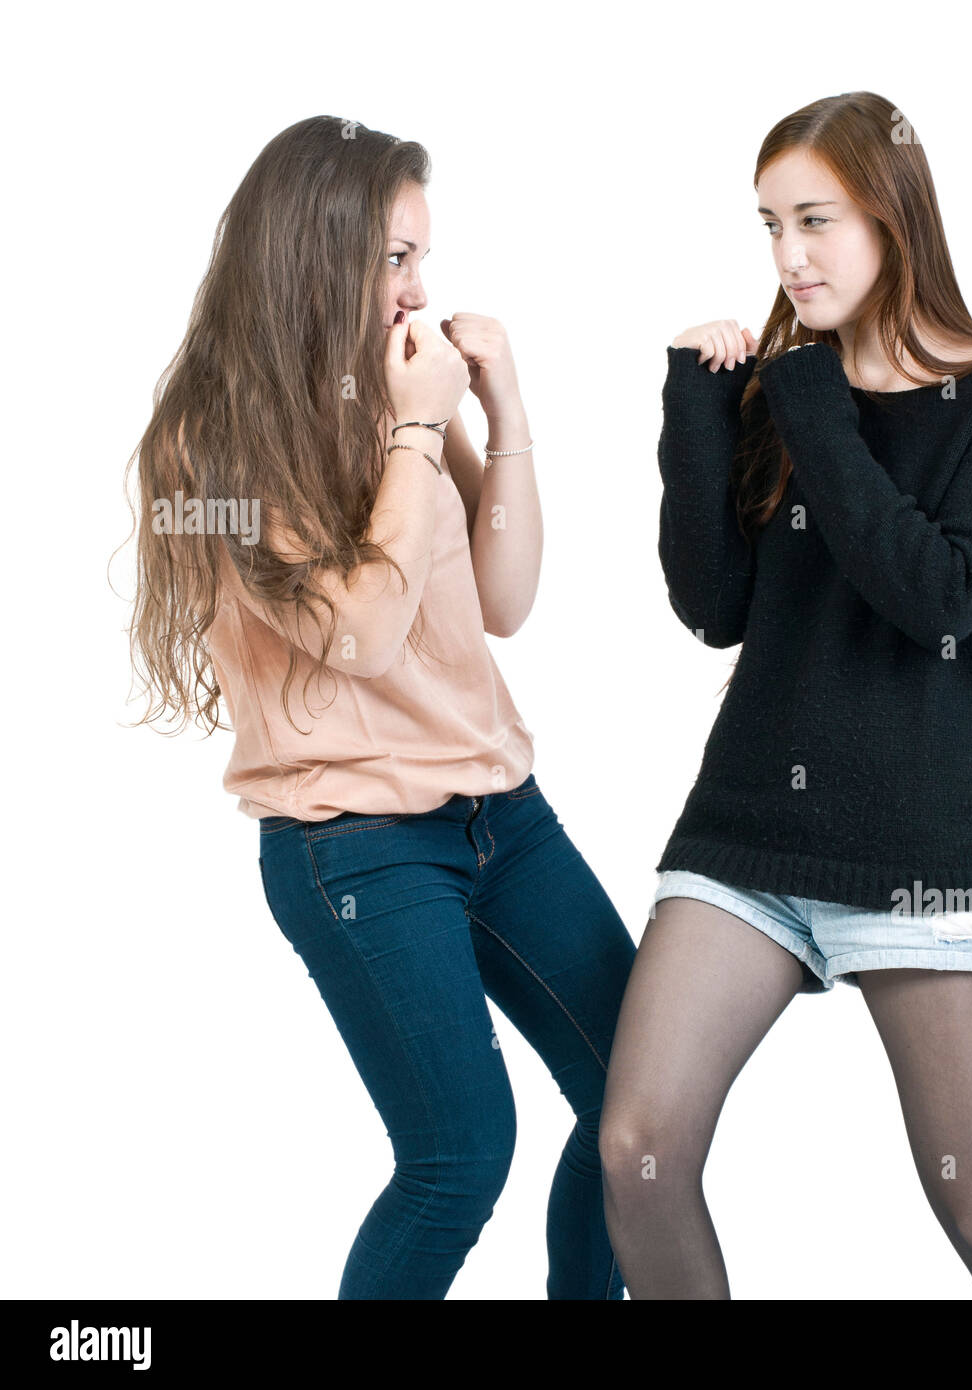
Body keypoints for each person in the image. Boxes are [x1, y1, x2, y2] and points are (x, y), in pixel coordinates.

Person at [126, 115, 635, 1299]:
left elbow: (504, 601)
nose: (418, 291)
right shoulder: (210, 446)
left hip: (503, 815)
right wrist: (415, 427)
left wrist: (502, 420)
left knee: (637, 1105)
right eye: (393, 259)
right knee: (458, 1160)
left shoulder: (396, 394)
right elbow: (359, 634)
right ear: (315, 255)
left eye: (422, 257)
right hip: (350, 843)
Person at [598, 91, 972, 1300]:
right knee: (638, 1152)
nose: (786, 257)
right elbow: (715, 607)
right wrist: (702, 416)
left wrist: (814, 406)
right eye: (767, 226)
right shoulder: (788, 393)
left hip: (928, 851)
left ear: (892, 217)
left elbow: (941, 595)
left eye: (814, 221)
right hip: (747, 838)